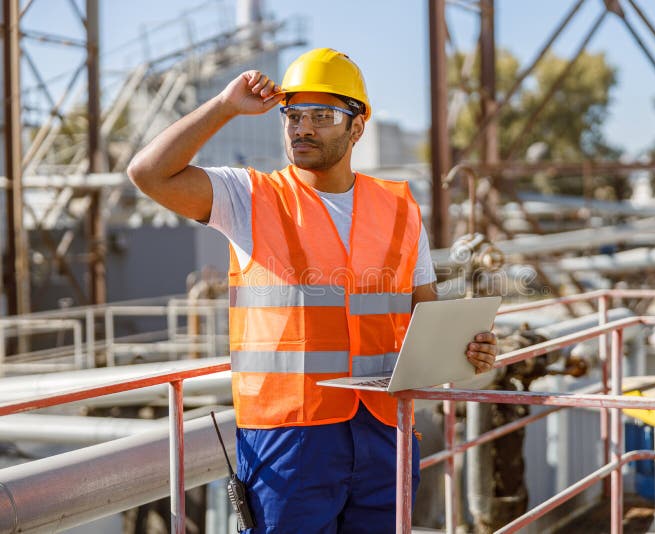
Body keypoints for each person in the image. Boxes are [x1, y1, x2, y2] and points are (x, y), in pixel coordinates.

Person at [128, 47, 498, 533]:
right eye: (293, 114)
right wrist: (224, 106)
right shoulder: (250, 197)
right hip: (288, 440)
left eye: (322, 116)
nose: (302, 127)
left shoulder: (400, 210)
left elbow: (423, 316)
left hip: (384, 429)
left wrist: (469, 349)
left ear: (357, 126)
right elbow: (148, 173)